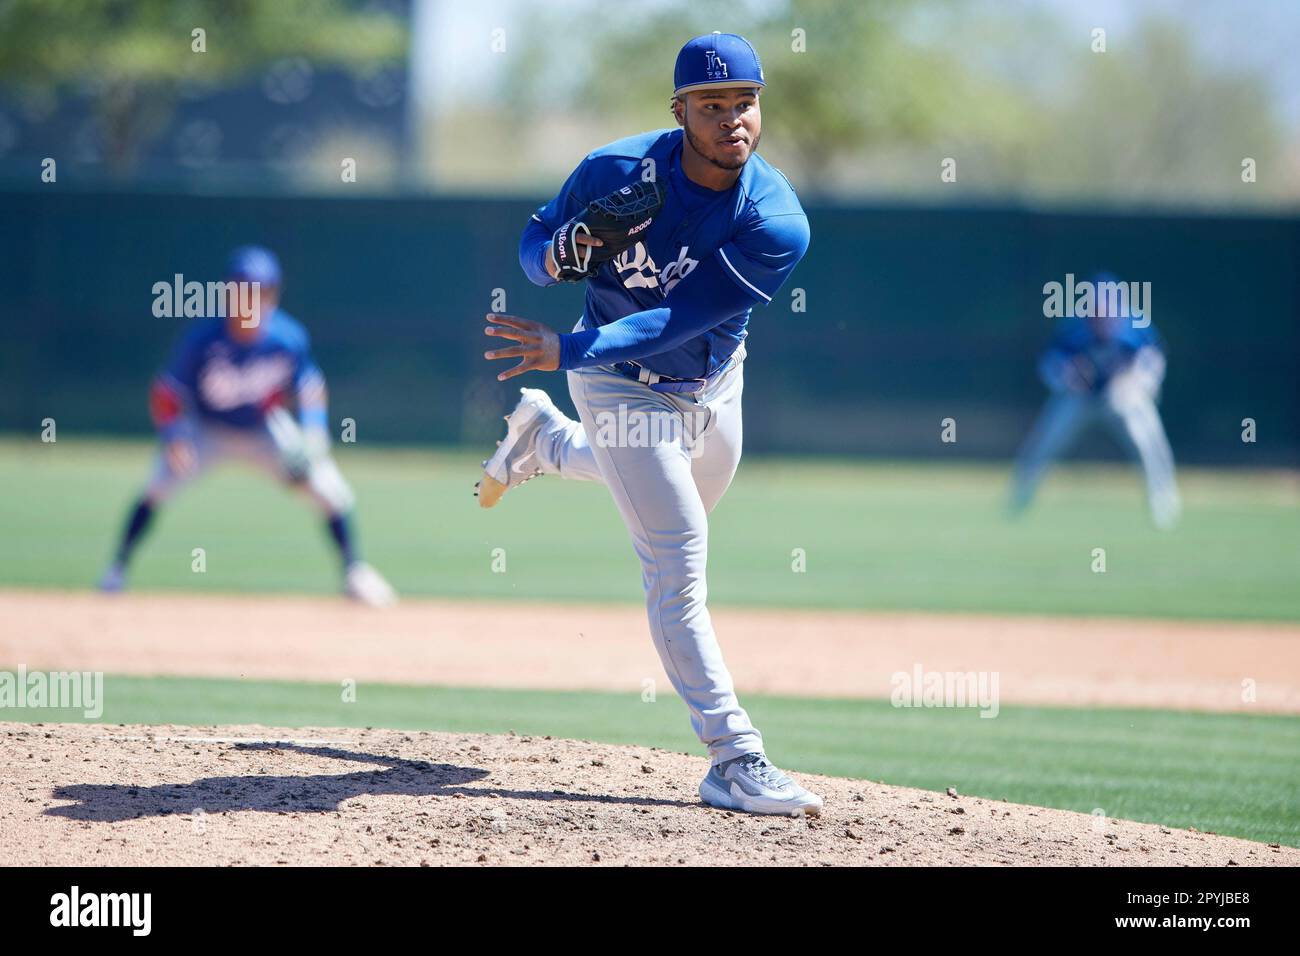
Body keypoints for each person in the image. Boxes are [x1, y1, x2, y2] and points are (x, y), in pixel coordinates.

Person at [476, 33, 821, 816]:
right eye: (712, 105)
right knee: (679, 557)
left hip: (710, 384)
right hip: (616, 385)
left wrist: (564, 344)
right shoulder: (614, 170)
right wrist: (558, 255)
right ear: (679, 111)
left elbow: (679, 317)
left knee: (684, 505)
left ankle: (545, 441)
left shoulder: (776, 220)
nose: (732, 118)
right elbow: (534, 244)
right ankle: (734, 758)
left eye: (745, 102)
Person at [99, 245, 397, 606]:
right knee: (157, 486)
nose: (251, 299)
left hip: (263, 431)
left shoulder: (287, 337)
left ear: (273, 294)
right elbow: (165, 392)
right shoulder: (204, 338)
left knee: (330, 492)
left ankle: (355, 572)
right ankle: (116, 569)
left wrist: (314, 434)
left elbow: (310, 387)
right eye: (242, 289)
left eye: (260, 290)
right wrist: (174, 436)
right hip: (205, 430)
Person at [1010, 272, 1181, 529]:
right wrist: (1067, 377)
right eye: (1096, 308)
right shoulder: (1073, 330)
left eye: (1106, 307)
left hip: (1122, 398)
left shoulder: (1136, 327)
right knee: (1045, 441)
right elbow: (1049, 364)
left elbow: (1153, 363)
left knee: (1148, 442)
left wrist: (1136, 383)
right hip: (1080, 399)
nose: (1101, 315)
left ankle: (1162, 502)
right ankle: (1020, 496)